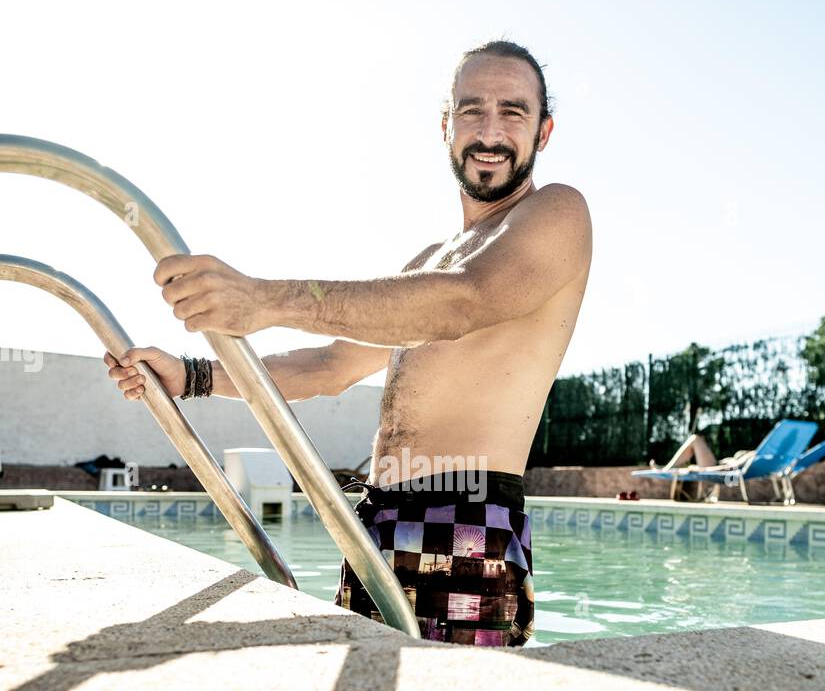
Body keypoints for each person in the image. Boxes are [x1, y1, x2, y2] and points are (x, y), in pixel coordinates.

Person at [105, 39, 593, 646]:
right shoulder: (430, 262)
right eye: (472, 110)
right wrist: (194, 375)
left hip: (464, 520)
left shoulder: (556, 213)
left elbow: (465, 303)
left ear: (543, 132)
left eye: (512, 112)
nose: (490, 130)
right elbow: (332, 365)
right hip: (374, 525)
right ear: (446, 127)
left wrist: (264, 299)